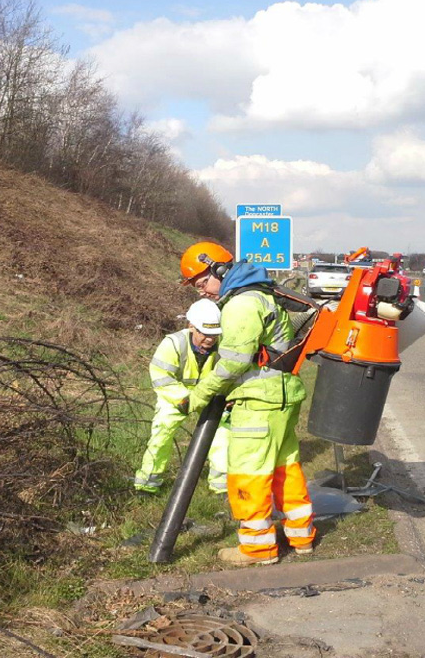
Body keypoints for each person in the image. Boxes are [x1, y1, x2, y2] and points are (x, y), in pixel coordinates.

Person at [179, 241, 316, 566]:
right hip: (279, 399)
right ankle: (301, 537)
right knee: (286, 469)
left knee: (247, 474)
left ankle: (258, 549)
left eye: (202, 284)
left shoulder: (241, 305)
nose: (203, 292)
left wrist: (198, 395)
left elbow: (233, 363)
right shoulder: (261, 294)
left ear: (219, 270)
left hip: (258, 402)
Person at [134, 299, 228, 495]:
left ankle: (222, 486)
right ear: (191, 326)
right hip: (177, 396)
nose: (210, 339)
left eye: (214, 334)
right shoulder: (173, 344)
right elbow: (161, 379)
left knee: (223, 433)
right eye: (205, 333)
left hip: (210, 395)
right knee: (162, 432)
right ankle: (148, 483)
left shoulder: (223, 346)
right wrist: (186, 399)